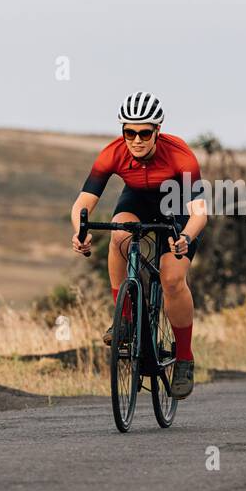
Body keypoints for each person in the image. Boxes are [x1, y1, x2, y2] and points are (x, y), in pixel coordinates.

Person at [69, 92, 207, 398]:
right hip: (137, 201)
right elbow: (83, 202)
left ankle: (184, 357)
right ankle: (127, 319)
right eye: (129, 132)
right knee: (119, 235)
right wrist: (80, 232)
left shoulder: (179, 155)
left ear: (158, 130)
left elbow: (200, 212)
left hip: (177, 207)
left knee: (171, 279)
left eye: (144, 133)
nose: (137, 140)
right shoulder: (112, 153)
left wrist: (185, 237)